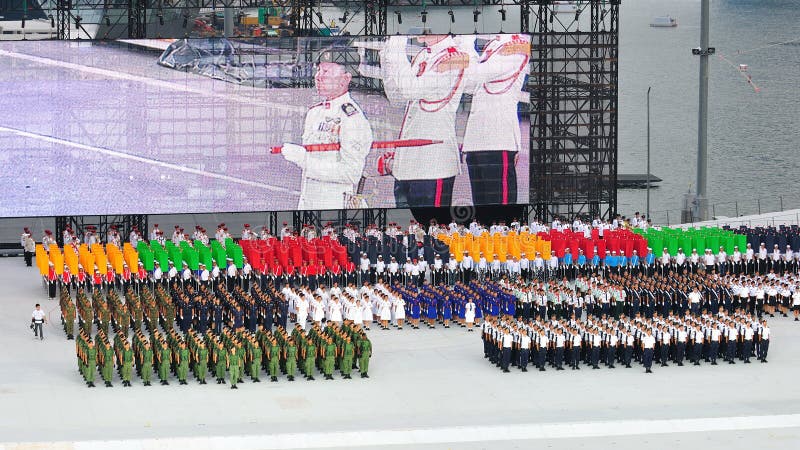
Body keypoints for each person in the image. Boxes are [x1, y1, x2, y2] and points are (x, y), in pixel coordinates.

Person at [380, 34, 467, 207]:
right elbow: (397, 97)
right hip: (406, 163)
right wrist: (387, 59)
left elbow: (410, 89)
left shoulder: (454, 57)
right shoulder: (424, 54)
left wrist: (397, 48)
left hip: (433, 164)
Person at [281, 58, 373, 210]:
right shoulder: (314, 113)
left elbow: (351, 173)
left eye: (326, 71)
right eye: (318, 70)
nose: (318, 77)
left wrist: (304, 160)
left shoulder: (352, 119)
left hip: (335, 204)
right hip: (309, 201)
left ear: (345, 79)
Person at [462, 34, 530, 205]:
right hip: (476, 139)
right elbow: (468, 83)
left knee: (500, 212)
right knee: (481, 210)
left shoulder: (518, 44)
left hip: (498, 139)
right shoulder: (495, 44)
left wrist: (465, 42)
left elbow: (476, 75)